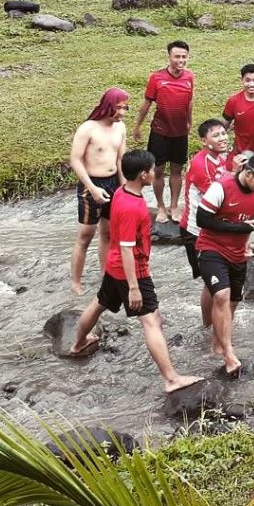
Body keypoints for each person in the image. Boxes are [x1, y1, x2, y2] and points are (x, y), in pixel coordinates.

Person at [70, 149, 201, 394]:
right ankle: (171, 378)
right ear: (143, 175)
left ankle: (78, 345)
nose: (155, 173)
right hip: (132, 270)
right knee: (152, 321)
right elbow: (129, 249)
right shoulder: (133, 207)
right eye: (152, 170)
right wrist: (133, 287)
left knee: (99, 303)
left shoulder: (121, 192)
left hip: (113, 265)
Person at [196, 153, 254, 377]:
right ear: (248, 173)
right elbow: (202, 219)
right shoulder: (221, 188)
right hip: (211, 248)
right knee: (221, 295)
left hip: (238, 253)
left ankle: (217, 342)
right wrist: (238, 228)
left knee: (231, 303)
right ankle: (229, 353)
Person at [68, 88, 128, 295]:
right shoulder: (88, 128)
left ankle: (106, 274)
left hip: (113, 182)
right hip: (90, 183)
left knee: (108, 233)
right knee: (85, 235)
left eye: (125, 108)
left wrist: (124, 188)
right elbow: (75, 160)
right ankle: (76, 282)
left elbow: (121, 159)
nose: (122, 113)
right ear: (108, 106)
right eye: (119, 108)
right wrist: (92, 188)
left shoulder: (121, 128)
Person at [179, 118, 235, 336]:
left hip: (214, 228)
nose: (222, 138)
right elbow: (219, 199)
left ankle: (213, 326)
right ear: (204, 141)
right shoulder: (201, 165)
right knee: (210, 283)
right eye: (216, 135)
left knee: (214, 282)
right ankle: (208, 327)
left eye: (223, 133)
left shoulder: (221, 157)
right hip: (197, 231)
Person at [132, 40, 194, 224]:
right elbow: (146, 104)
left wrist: (189, 123)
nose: (180, 60)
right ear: (169, 57)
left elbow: (190, 102)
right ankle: (160, 206)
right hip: (159, 132)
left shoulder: (190, 77)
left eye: (184, 57)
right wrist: (137, 126)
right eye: (177, 56)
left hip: (180, 133)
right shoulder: (157, 78)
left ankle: (174, 206)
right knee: (157, 171)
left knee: (177, 170)